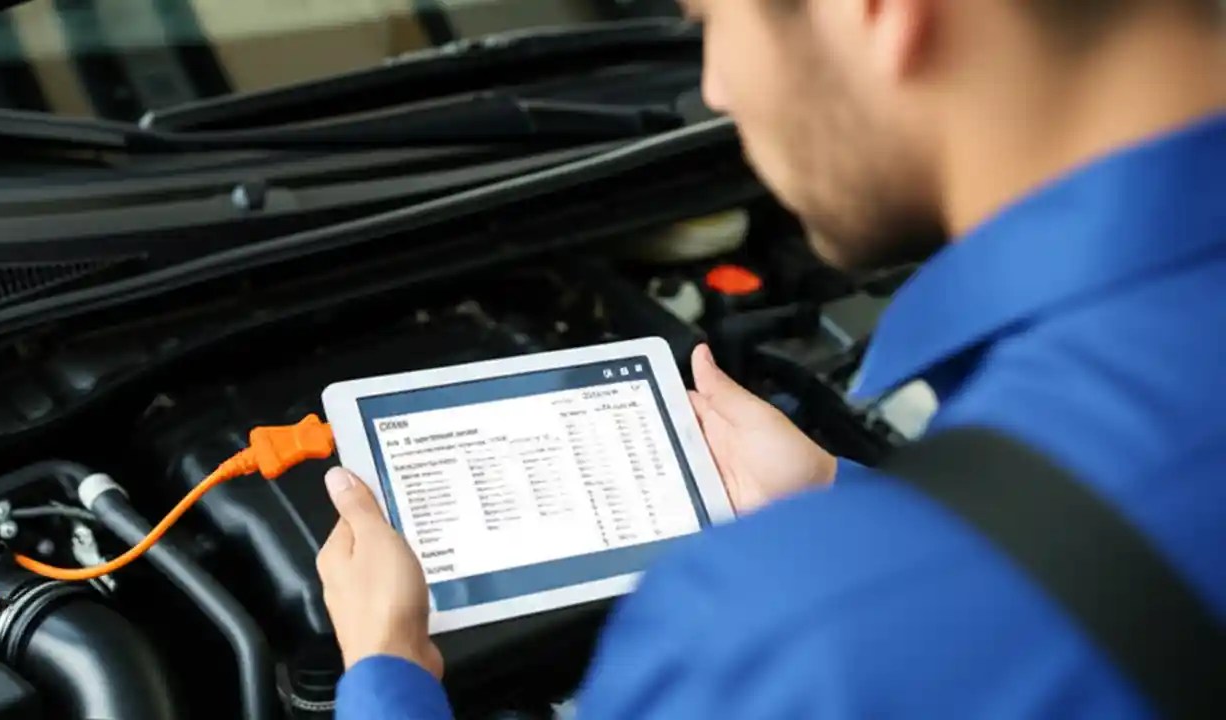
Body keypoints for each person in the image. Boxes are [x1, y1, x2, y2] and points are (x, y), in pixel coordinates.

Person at [316, 0, 1226, 716]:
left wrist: (389, 674)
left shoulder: (777, 639)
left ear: (875, 9)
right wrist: (841, 491)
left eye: (710, 23)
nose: (713, 88)